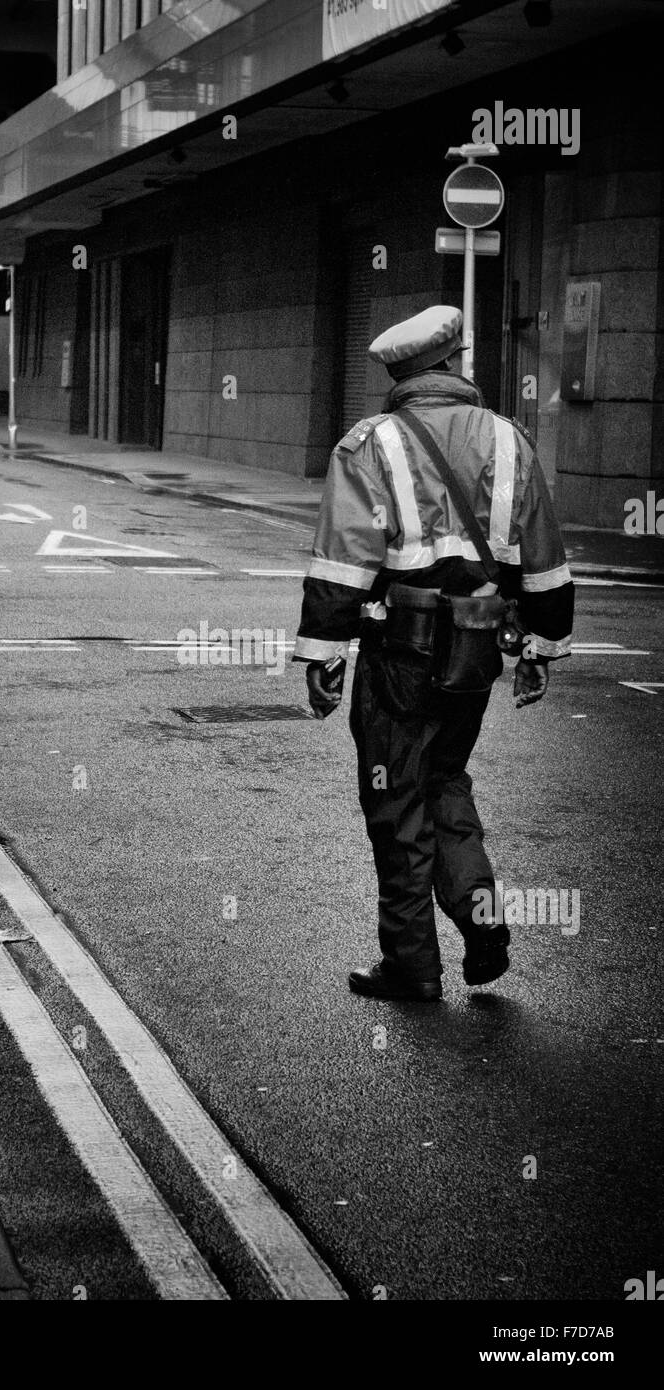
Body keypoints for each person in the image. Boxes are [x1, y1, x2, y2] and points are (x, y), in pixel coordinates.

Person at [294, 305, 574, 1002]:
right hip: (474, 659)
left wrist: (324, 656)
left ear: (398, 374)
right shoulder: (510, 441)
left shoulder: (370, 443)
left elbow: (343, 563)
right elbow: (544, 559)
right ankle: (482, 921)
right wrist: (539, 649)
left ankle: (413, 966)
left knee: (397, 804)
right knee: (446, 781)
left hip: (400, 657)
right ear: (454, 363)